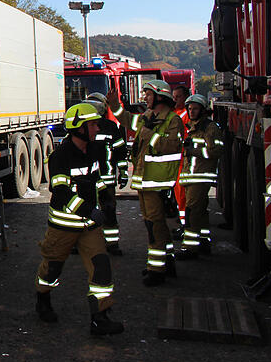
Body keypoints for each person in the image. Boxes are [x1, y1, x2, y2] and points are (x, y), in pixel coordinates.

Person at [35, 103, 124, 335]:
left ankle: (100, 317)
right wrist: (88, 210)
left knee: (101, 266)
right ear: (78, 128)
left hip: (89, 227)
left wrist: (106, 199)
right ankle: (42, 299)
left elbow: (97, 179)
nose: (97, 128)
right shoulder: (60, 157)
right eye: (93, 124)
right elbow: (62, 192)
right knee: (51, 270)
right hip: (64, 226)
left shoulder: (95, 150)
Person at [107, 80, 185, 286]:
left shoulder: (173, 120)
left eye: (148, 95)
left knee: (154, 226)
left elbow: (171, 146)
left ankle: (156, 270)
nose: (145, 98)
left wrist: (150, 135)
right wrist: (115, 106)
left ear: (160, 96)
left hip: (157, 182)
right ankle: (167, 261)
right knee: (156, 224)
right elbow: (128, 120)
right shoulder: (147, 117)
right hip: (145, 181)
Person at [177, 94, 224, 258]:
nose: (192, 111)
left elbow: (216, 151)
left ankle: (190, 249)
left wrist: (193, 150)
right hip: (192, 176)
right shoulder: (191, 126)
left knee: (192, 213)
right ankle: (204, 242)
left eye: (195, 108)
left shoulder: (210, 128)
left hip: (201, 176)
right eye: (189, 108)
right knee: (201, 212)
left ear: (202, 110)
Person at [84, 92, 127, 256]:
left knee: (108, 210)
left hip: (105, 179)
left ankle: (112, 243)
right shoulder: (83, 126)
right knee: (86, 210)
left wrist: (123, 171)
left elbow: (120, 152)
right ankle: (86, 242)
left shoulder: (110, 127)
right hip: (89, 179)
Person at [171, 85, 191, 234]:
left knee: (183, 195)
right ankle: (184, 223)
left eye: (178, 97)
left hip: (185, 160)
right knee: (179, 194)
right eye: (174, 96)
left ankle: (186, 226)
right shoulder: (176, 113)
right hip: (177, 160)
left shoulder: (186, 114)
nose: (175, 99)